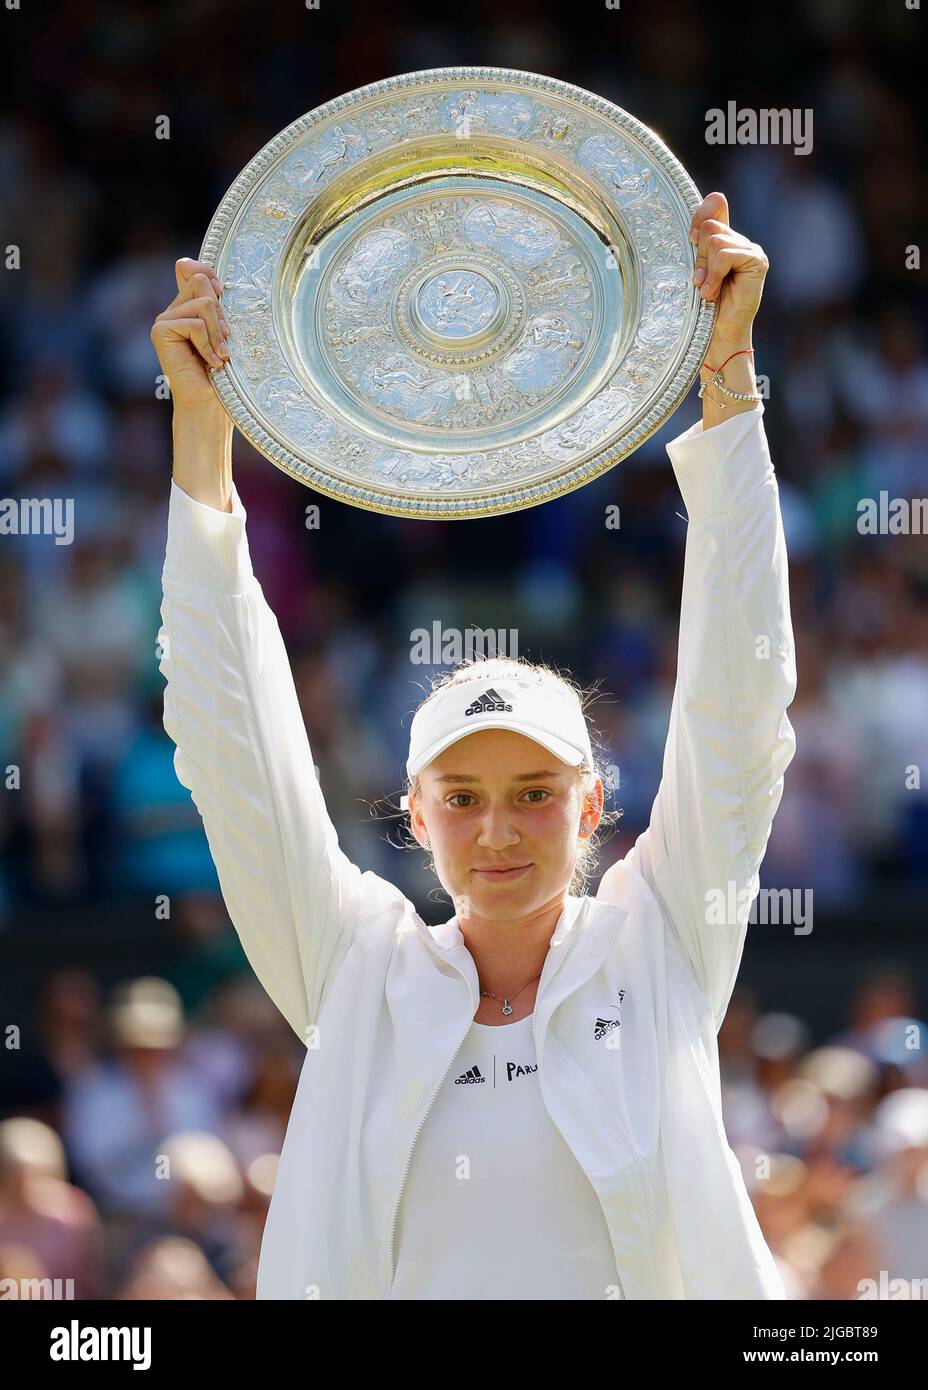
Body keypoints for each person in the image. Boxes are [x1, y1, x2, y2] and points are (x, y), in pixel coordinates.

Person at [151, 191, 797, 1300]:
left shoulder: (661, 942)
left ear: (594, 808)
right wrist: (202, 437)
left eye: (535, 792)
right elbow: (232, 751)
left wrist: (729, 380)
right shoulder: (355, 967)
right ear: (414, 813)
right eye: (461, 796)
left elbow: (737, 710)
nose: (497, 829)